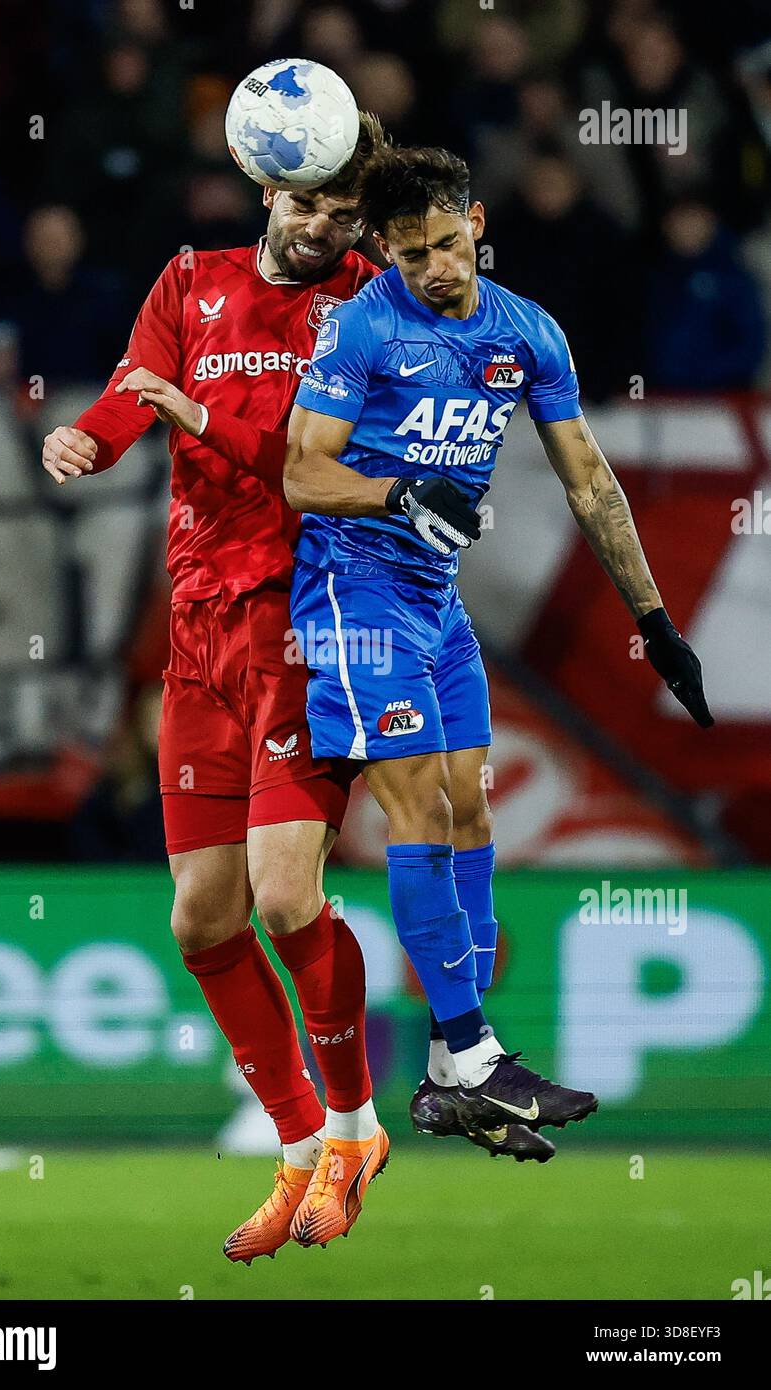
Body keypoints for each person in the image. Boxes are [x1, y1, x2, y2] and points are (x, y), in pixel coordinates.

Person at [283, 144, 713, 1148]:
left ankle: (449, 1071)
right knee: (419, 804)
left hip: (435, 600)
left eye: (446, 240)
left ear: (473, 224)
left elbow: (588, 481)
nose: (436, 265)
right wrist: (397, 491)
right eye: (411, 251)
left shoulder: (526, 334)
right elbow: (302, 473)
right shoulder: (360, 330)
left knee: (473, 806)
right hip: (353, 591)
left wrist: (653, 623)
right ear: (383, 252)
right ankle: (472, 1050)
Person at [41, 114, 391, 1262]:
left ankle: (352, 1125)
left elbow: (304, 459)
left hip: (303, 617)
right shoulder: (191, 280)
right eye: (306, 206)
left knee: (287, 895)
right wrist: (92, 439)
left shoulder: (371, 306)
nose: (320, 228)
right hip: (199, 633)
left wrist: (191, 413)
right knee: (201, 916)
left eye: (341, 214)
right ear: (268, 192)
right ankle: (294, 1145)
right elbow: (132, 390)